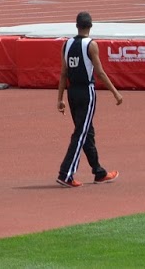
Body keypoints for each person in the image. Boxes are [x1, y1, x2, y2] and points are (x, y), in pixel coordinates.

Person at [55, 11, 123, 187]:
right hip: (86, 92)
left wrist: (60, 98)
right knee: (81, 133)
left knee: (86, 132)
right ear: (90, 26)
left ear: (77, 25)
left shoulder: (66, 44)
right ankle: (66, 174)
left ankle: (98, 172)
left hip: (72, 92)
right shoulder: (91, 45)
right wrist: (115, 92)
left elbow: (63, 73)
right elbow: (99, 72)